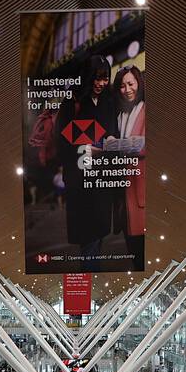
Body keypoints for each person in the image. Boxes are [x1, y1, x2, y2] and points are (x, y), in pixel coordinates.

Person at [56, 55, 118, 272]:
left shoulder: (109, 102)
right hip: (80, 179)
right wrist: (82, 150)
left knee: (98, 234)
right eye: (98, 78)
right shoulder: (72, 102)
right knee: (89, 236)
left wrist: (110, 142)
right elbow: (60, 141)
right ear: (88, 76)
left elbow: (113, 134)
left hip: (102, 180)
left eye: (106, 78)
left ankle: (91, 272)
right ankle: (90, 274)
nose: (102, 83)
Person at [104, 65, 146, 270]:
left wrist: (110, 145)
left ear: (139, 84)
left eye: (131, 83)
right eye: (122, 85)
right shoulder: (119, 116)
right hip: (123, 188)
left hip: (140, 186)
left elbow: (141, 144)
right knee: (131, 245)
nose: (127, 89)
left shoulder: (146, 110)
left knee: (140, 244)